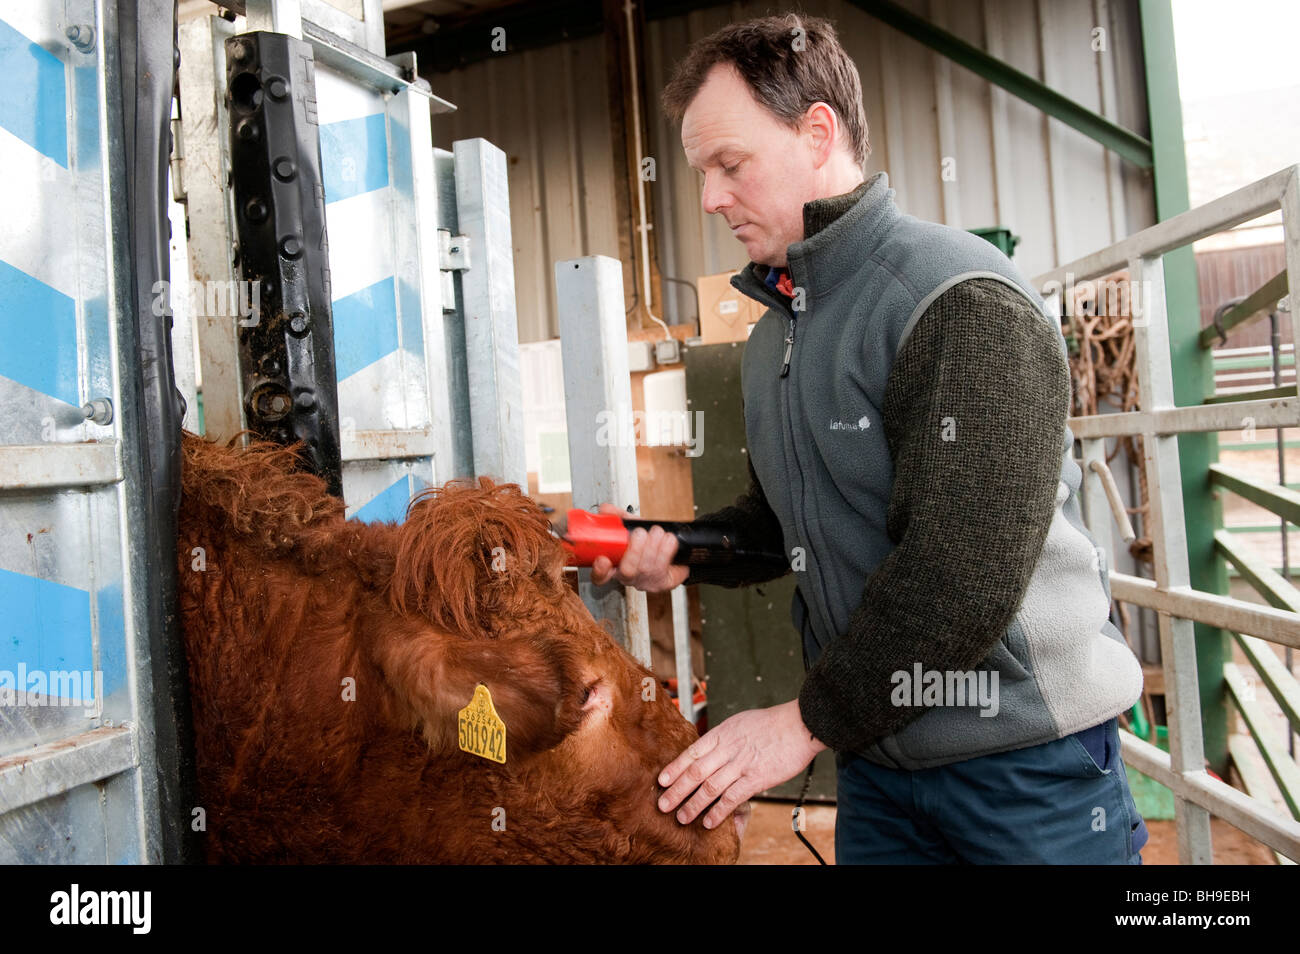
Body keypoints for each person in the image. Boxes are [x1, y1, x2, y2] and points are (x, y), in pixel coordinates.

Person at [591, 13, 1149, 863]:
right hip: (881, 764)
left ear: (817, 134)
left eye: (728, 165)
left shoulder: (958, 299)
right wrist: (685, 550)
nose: (708, 197)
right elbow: (786, 521)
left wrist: (805, 721)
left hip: (1020, 765)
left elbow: (960, 576)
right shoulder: (780, 327)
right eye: (702, 172)